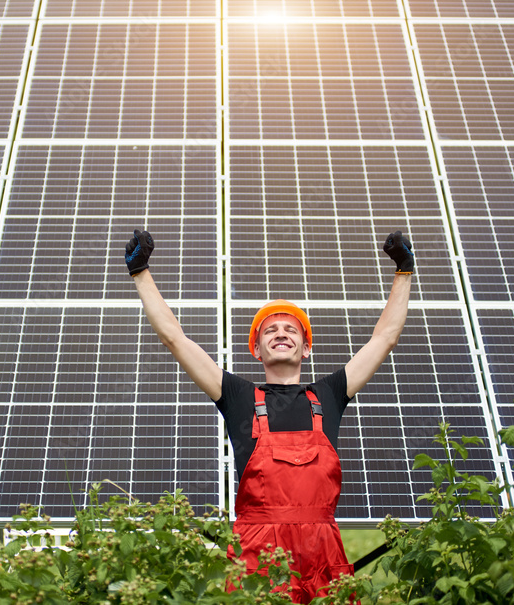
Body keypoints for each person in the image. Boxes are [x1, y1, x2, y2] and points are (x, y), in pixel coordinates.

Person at [124, 228, 413, 603]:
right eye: (270, 330)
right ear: (257, 350)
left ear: (305, 348)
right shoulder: (237, 396)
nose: (281, 333)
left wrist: (404, 271)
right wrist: (141, 273)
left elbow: (384, 338)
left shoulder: (328, 395)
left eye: (291, 329)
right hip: (257, 550)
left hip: (323, 549)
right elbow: (176, 339)